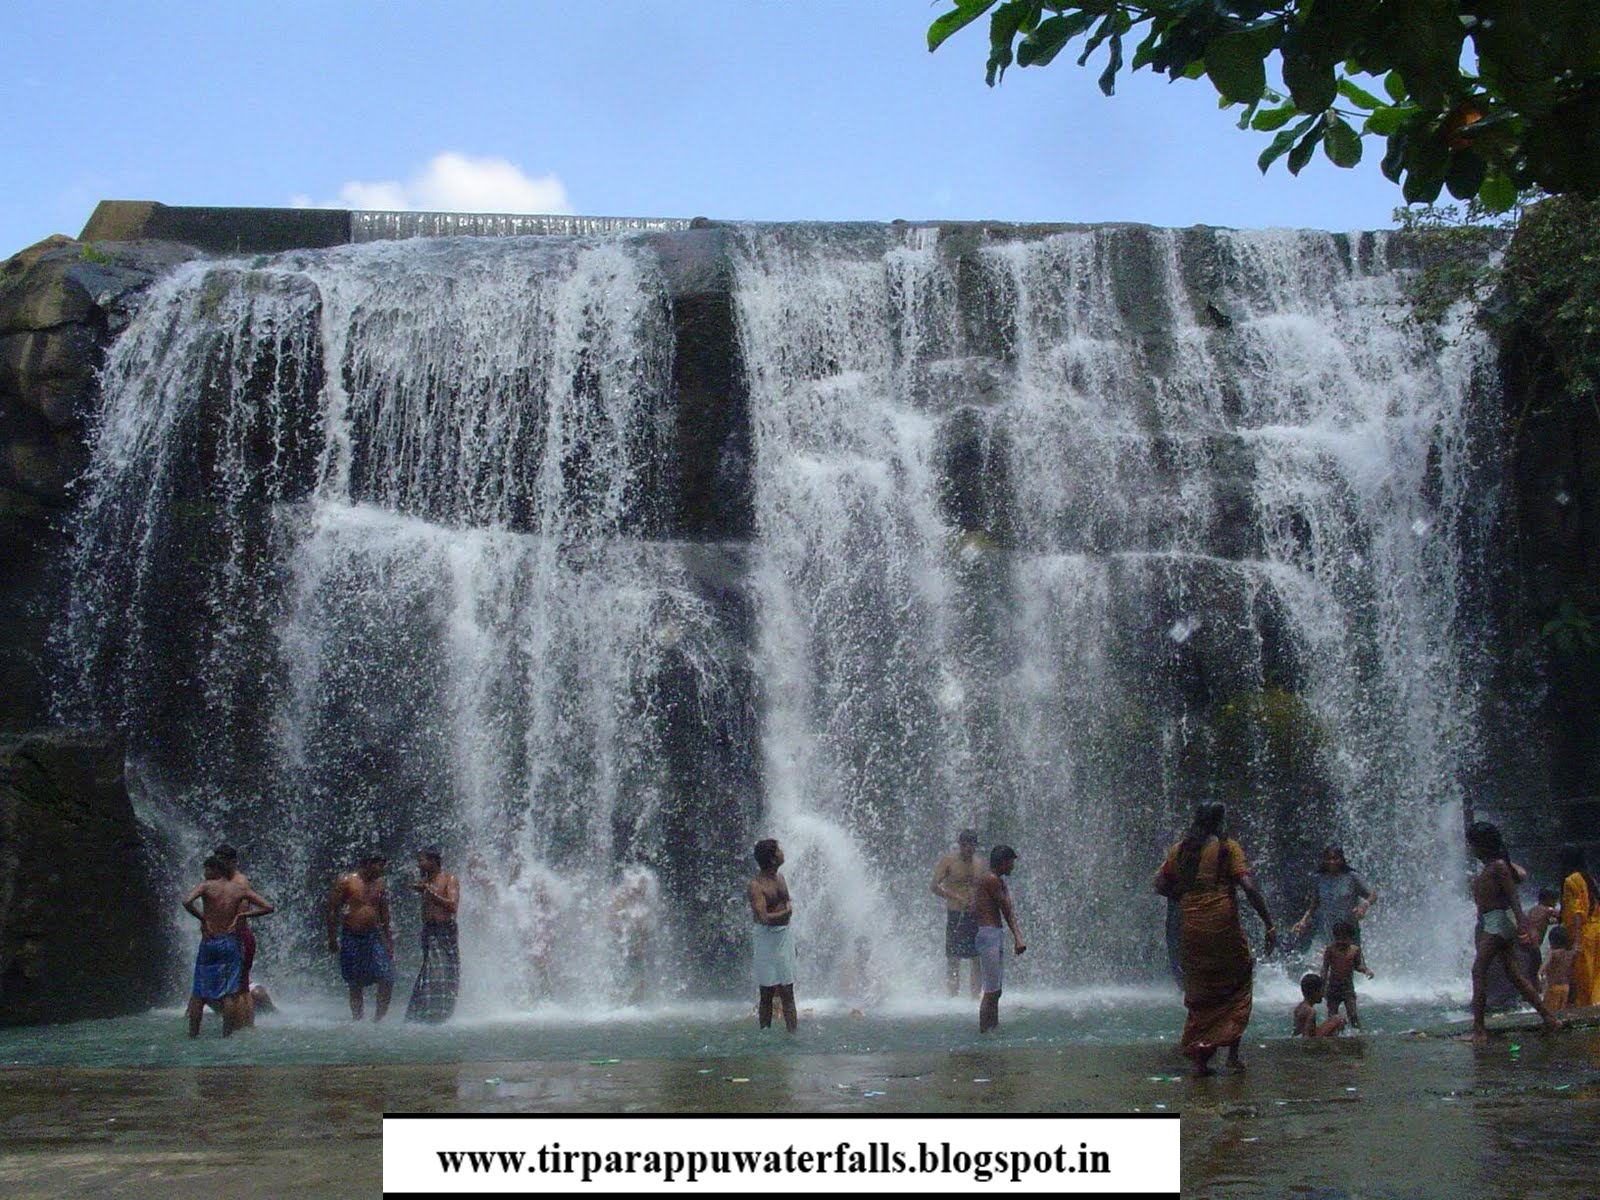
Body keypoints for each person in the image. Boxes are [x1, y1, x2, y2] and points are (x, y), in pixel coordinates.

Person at [1154, 803, 1275, 1077]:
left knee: (1199, 988)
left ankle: (1200, 1058)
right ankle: (1232, 1055)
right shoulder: (1227, 847)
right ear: (1220, 822)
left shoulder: (1180, 850)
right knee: (1239, 981)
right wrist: (1268, 923)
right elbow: (1248, 885)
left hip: (1191, 926)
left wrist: (1186, 896)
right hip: (1222, 923)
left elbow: (1159, 884)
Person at [1463, 822, 1561, 1041]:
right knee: (1514, 975)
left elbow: (1513, 898)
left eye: (1472, 844)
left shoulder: (1498, 866)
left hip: (1497, 923)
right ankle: (1549, 1018)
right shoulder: (1493, 866)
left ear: (1482, 845)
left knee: (1478, 972)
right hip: (1492, 922)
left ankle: (1479, 1030)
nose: (1470, 848)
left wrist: (1523, 926)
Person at [182, 856, 273, 1037]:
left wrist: (202, 918)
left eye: (207, 870)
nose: (204, 873)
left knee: (199, 991)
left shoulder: (206, 886)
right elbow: (268, 907)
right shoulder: (239, 889)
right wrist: (242, 916)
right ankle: (226, 1035)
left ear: (215, 870)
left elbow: (186, 901)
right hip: (230, 942)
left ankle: (193, 1035)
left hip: (209, 940)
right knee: (229, 992)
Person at [327, 853, 395, 1021]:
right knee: (355, 981)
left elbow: (385, 915)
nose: (382, 869)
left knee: (387, 977)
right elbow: (332, 910)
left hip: (374, 937)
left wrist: (389, 941)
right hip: (352, 936)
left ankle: (378, 1020)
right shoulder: (347, 882)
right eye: (380, 865)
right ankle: (358, 1019)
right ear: (369, 864)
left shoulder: (380, 884)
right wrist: (332, 938)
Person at [974, 844, 1025, 1034]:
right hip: (988, 936)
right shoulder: (991, 880)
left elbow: (1006, 908)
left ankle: (991, 1030)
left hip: (992, 934)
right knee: (991, 991)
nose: (1013, 866)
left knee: (996, 990)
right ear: (1003, 862)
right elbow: (1007, 910)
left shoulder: (997, 880)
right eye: (1011, 862)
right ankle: (985, 1033)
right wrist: (1018, 938)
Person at [405, 846, 460, 1023]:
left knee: (441, 971)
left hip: (444, 930)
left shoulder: (448, 879)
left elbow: (452, 906)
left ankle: (438, 1014)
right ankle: (423, 1013)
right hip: (429, 931)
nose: (419, 864)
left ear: (433, 861)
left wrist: (428, 892)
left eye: (422, 860)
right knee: (431, 970)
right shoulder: (425, 881)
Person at [747, 838, 797, 1032]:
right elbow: (763, 917)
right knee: (767, 991)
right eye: (779, 850)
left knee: (788, 991)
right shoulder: (756, 886)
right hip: (766, 939)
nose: (783, 852)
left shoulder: (780, 877)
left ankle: (792, 1035)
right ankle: (765, 1035)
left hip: (784, 936)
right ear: (772, 858)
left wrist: (792, 943)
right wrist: (786, 913)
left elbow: (785, 901)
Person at [1290, 846, 1375, 950]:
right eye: (1328, 858)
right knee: (1326, 960)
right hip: (1327, 927)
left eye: (1335, 858)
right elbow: (1315, 903)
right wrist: (1303, 921)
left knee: (1351, 960)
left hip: (1348, 929)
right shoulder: (1319, 878)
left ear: (1341, 859)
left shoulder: (1352, 877)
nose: (1332, 862)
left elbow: (1372, 895)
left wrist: (1363, 906)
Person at [931, 829, 982, 997]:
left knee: (976, 957)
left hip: (974, 915)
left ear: (976, 846)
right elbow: (934, 886)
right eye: (965, 845)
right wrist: (956, 897)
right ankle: (953, 996)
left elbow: (983, 887)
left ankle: (975, 997)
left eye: (972, 845)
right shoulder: (949, 861)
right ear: (960, 845)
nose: (968, 848)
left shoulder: (979, 863)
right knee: (954, 957)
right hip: (955, 913)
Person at [214, 844, 259, 1028]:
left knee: (241, 987)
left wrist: (234, 938)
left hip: (238, 937)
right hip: (229, 937)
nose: (218, 863)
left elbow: (241, 913)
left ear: (233, 861)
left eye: (222, 860)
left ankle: (246, 1026)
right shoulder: (223, 880)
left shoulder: (239, 882)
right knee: (236, 985)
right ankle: (241, 1025)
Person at [1557, 845, 1600, 1007]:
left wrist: (1576, 942)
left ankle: (1587, 1007)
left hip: (1584, 932)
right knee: (1597, 974)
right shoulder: (1588, 878)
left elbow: (1577, 911)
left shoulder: (1571, 880)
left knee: (1584, 975)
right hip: (1597, 929)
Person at [1321, 919, 1374, 1030]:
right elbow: (1325, 969)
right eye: (1338, 939)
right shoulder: (1330, 950)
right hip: (1333, 988)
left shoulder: (1355, 950)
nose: (1341, 942)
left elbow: (1358, 965)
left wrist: (1366, 970)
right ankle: (1332, 1034)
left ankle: (1359, 1034)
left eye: (1344, 939)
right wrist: (1322, 986)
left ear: (1350, 938)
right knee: (1332, 1015)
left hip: (1348, 988)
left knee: (1353, 1014)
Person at [840, 935, 885, 1013]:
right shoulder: (849, 965)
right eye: (861, 949)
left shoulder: (877, 963)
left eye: (868, 948)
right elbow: (846, 988)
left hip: (873, 1002)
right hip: (855, 1003)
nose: (867, 952)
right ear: (857, 950)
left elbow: (882, 986)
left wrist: (876, 997)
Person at [1292, 973, 1346, 1037]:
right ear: (1314, 992)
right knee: (1339, 1020)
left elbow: (1296, 1032)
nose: (1323, 994)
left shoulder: (1299, 1007)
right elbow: (1307, 1038)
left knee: (1335, 1018)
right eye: (1321, 990)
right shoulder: (1310, 1011)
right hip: (1311, 1041)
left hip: (1304, 1037)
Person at [1541, 925, 1577, 1012]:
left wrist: (1540, 979)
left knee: (1550, 1014)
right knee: (1564, 1013)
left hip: (1553, 988)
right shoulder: (1571, 954)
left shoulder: (1553, 953)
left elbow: (1542, 969)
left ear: (1552, 941)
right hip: (1566, 988)